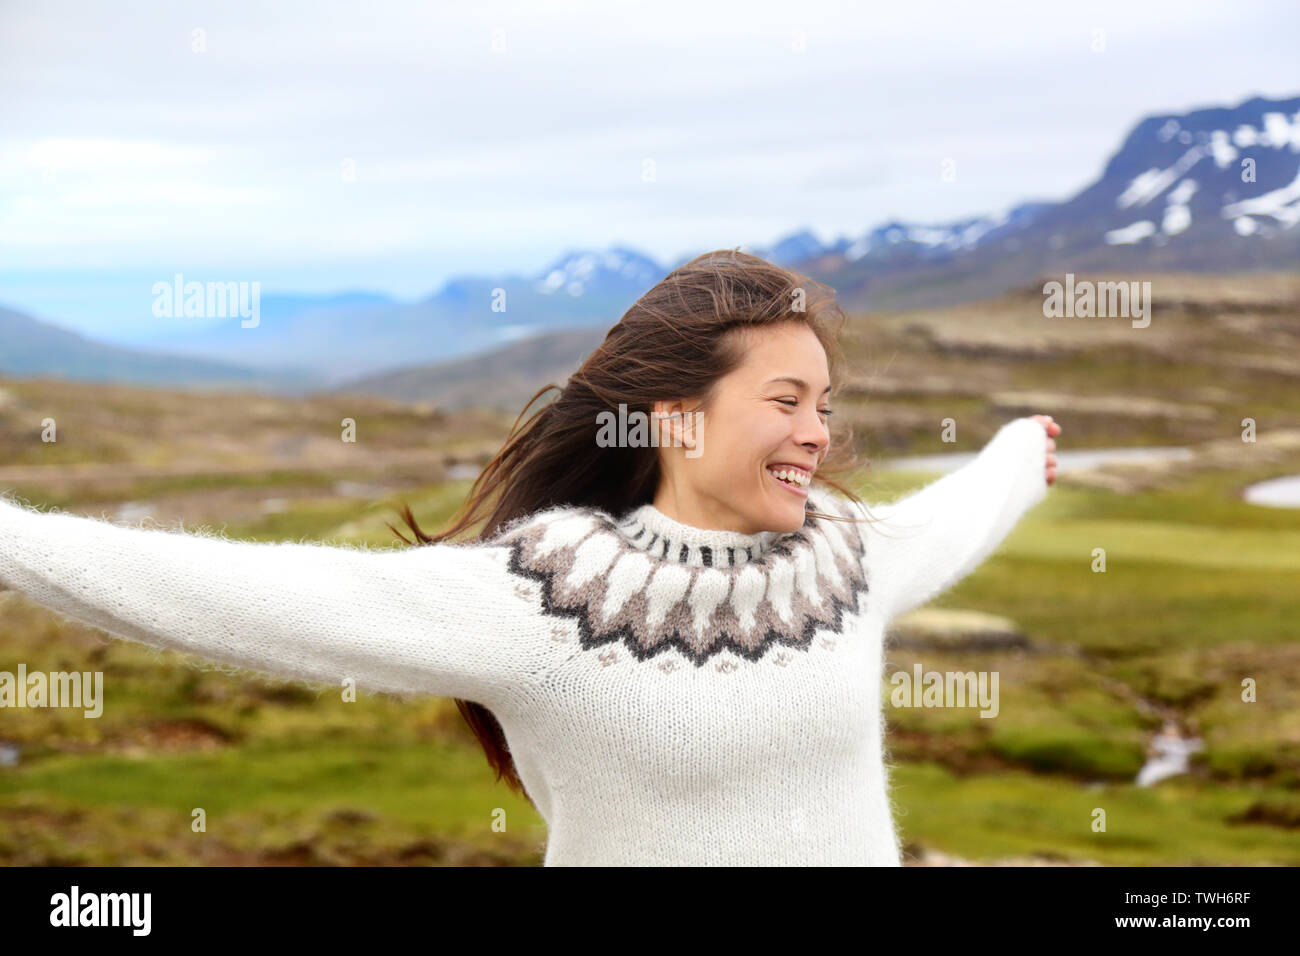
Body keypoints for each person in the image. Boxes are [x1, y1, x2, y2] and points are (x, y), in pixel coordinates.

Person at [0, 249, 1060, 865]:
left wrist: (1018, 453)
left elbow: (953, 514)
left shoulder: (846, 557)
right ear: (674, 419)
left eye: (823, 405)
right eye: (783, 401)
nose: (817, 433)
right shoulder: (548, 594)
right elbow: (246, 594)